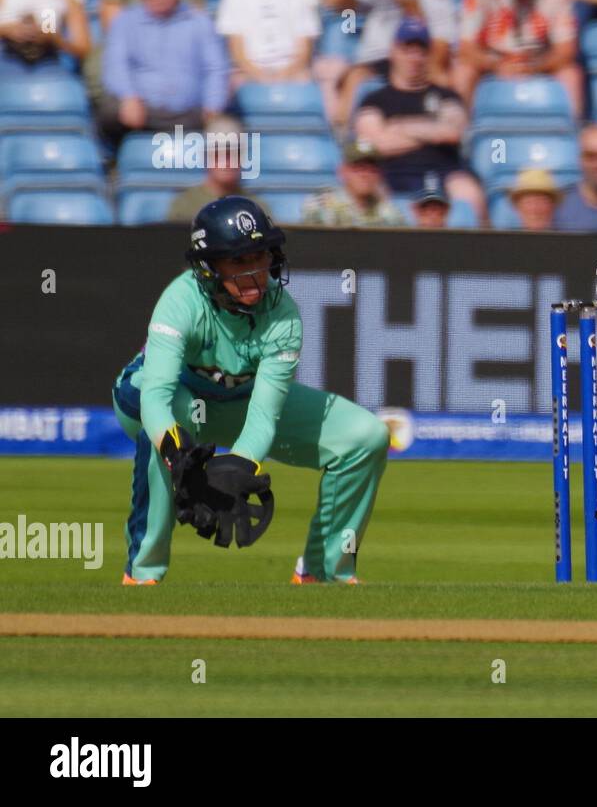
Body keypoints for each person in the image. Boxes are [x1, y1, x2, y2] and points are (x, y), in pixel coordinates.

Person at [111, 196, 390, 584]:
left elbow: (263, 416)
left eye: (260, 257)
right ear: (208, 268)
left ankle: (322, 571)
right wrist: (179, 455)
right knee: (169, 430)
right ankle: (142, 574)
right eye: (239, 261)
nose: (256, 273)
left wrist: (239, 467)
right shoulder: (180, 300)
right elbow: (155, 396)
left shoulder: (284, 314)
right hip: (163, 397)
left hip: (239, 403)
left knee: (367, 437)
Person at [323, 0, 455, 124]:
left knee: (443, 80)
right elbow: (333, 1)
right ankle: (342, 138)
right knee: (355, 78)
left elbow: (439, 52)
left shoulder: (438, 3)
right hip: (376, 60)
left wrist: (412, 8)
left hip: (416, 60)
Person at [354, 18, 484, 217]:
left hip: (443, 173)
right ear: (394, 51)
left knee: (470, 192)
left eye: (421, 51)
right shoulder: (375, 100)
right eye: (407, 49)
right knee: (371, 192)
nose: (414, 57)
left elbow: (452, 132)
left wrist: (398, 126)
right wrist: (431, 130)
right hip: (392, 174)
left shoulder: (446, 96)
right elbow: (375, 144)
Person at [453, 0, 583, 118]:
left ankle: (572, 135)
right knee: (462, 72)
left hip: (538, 56)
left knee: (571, 75)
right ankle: (462, 138)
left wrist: (535, 65)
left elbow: (566, 50)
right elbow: (466, 48)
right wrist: (497, 65)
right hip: (493, 56)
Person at [99, 0, 228, 148]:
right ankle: (117, 169)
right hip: (142, 112)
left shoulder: (199, 21)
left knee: (226, 130)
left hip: (190, 114)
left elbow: (216, 68)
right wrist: (129, 96)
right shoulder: (125, 21)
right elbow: (116, 65)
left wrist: (213, 106)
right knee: (108, 113)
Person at [301, 139, 409, 227]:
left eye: (372, 169)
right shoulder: (323, 204)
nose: (366, 174)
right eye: (358, 168)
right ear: (343, 172)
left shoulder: (389, 214)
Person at [167, 116, 249, 222]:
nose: (228, 162)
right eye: (219, 153)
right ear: (207, 156)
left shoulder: (255, 207)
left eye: (234, 153)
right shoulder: (184, 205)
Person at [509, 166, 562, 231]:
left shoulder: (567, 239)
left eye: (541, 201)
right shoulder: (504, 240)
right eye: (528, 202)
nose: (534, 209)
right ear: (517, 207)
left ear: (553, 205)